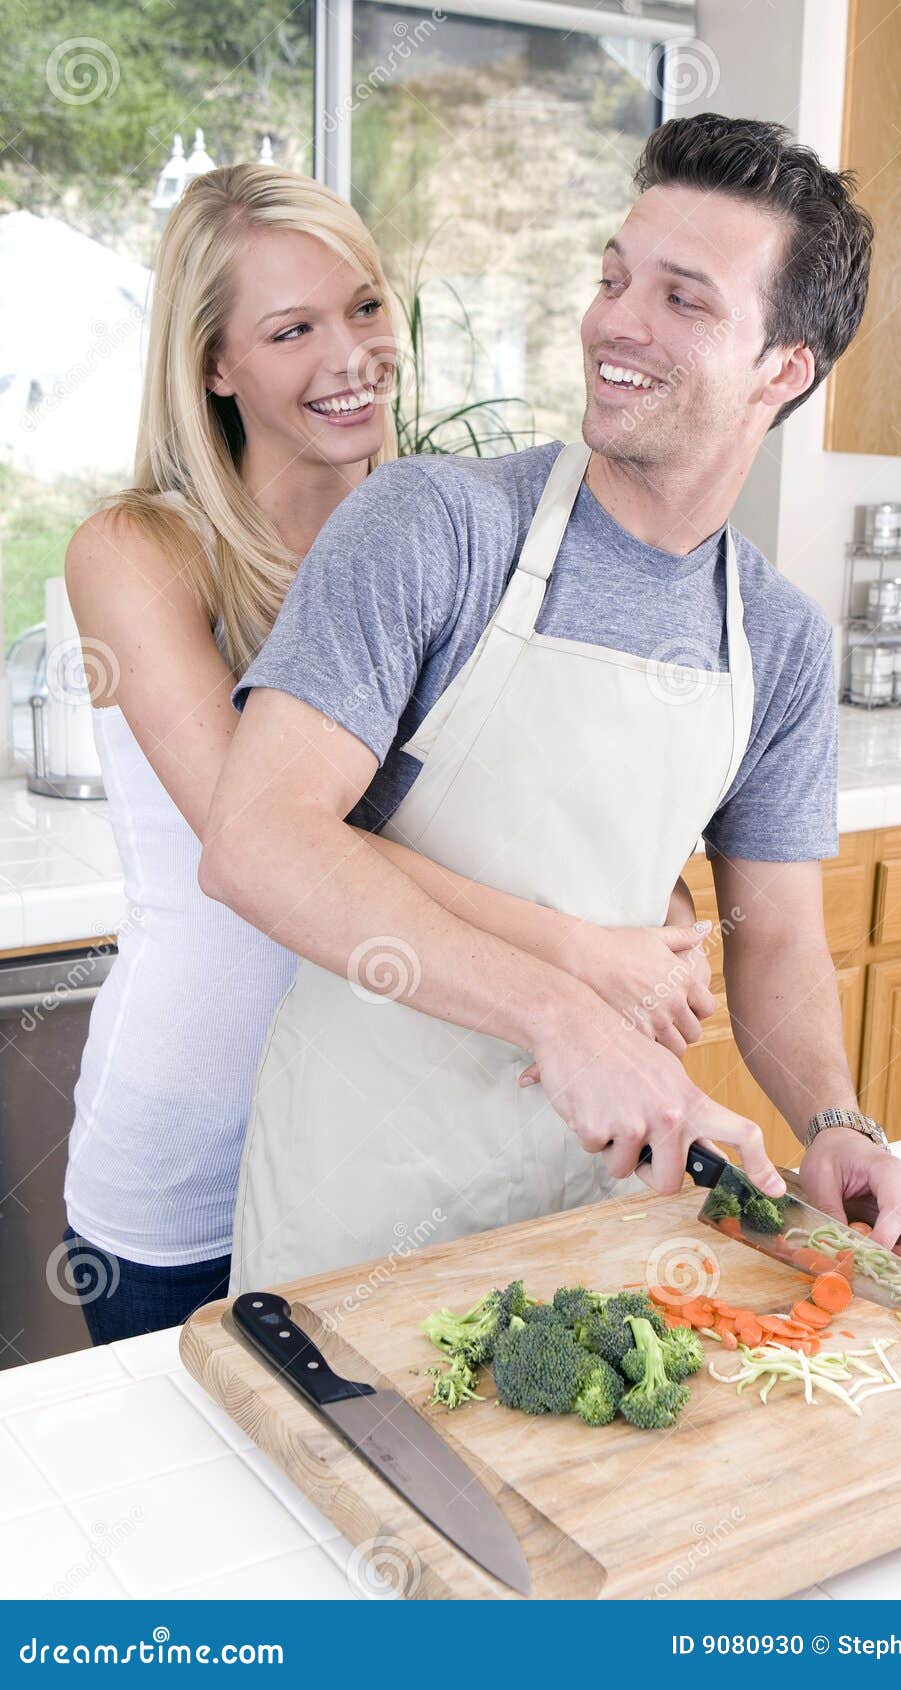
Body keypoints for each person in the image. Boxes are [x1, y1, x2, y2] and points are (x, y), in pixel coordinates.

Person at [201, 113, 901, 1296]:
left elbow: (777, 941)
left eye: (682, 299)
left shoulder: (778, 641)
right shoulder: (433, 528)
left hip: (596, 1209)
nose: (615, 321)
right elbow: (257, 840)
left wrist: (836, 1118)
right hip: (362, 1193)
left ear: (782, 369)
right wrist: (563, 1015)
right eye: (613, 277)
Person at [61, 163, 717, 1342]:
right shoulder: (140, 551)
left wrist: (645, 907)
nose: (350, 353)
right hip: (193, 1150)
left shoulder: (459, 544)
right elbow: (260, 845)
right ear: (214, 364)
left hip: (397, 1163)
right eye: (290, 328)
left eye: (365, 306)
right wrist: (581, 957)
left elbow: (518, 802)